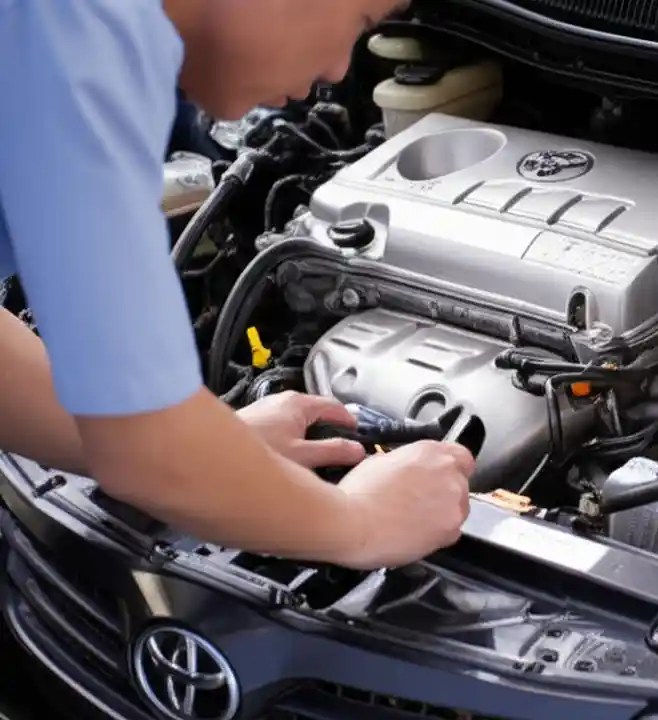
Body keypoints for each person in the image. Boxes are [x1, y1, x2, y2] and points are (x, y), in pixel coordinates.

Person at [0, 0, 474, 571]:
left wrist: (214, 448)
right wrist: (361, 522)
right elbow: (143, 452)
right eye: (361, 24)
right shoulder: (73, 52)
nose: (339, 73)